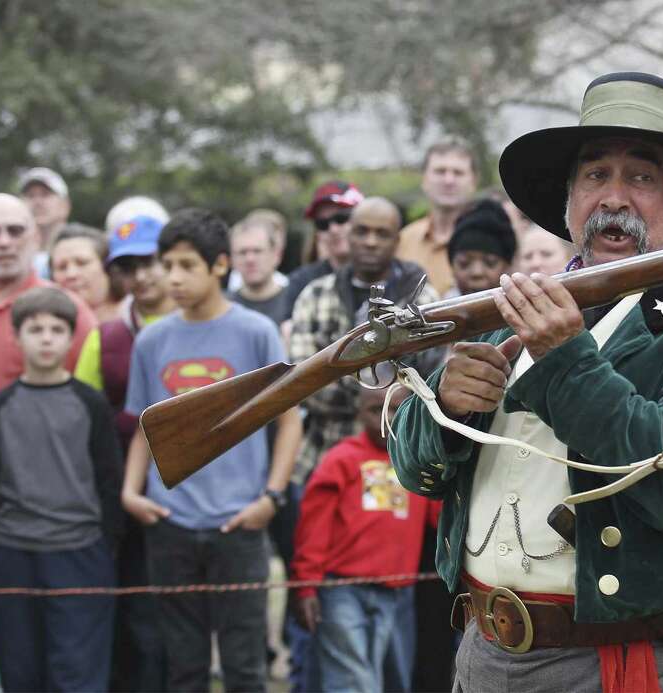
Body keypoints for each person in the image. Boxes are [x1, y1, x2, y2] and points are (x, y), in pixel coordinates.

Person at [388, 71, 663, 691]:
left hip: (628, 659)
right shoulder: (509, 313)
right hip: (485, 650)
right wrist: (444, 405)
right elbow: (418, 473)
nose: (615, 198)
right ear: (570, 199)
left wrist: (564, 359)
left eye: (642, 177)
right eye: (596, 175)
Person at [120, 208, 303, 692]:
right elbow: (146, 426)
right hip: (170, 521)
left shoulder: (255, 332)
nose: (172, 278)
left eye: (186, 266)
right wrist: (130, 493)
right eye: (167, 264)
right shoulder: (153, 339)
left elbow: (289, 423)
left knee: (245, 666)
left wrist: (271, 498)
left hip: (238, 524)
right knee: (183, 666)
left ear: (220, 265)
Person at [287, 195, 441, 690]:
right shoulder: (316, 294)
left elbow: (435, 381)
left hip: (404, 472)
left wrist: (366, 376)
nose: (371, 242)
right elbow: (304, 386)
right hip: (324, 461)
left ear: (398, 239)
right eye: (362, 232)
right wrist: (389, 379)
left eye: (382, 233)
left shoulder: (421, 290)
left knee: (397, 646)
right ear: (345, 236)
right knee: (324, 633)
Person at [0, 286, 122, 692]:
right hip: (13, 551)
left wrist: (105, 540)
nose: (45, 338)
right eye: (35, 329)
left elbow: (109, 479)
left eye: (56, 329)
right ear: (16, 336)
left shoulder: (89, 404)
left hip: (79, 550)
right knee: (19, 667)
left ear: (71, 337)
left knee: (77, 668)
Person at [72, 214, 173, 692]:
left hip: (196, 488)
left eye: (150, 261)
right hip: (125, 491)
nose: (142, 275)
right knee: (136, 608)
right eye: (128, 266)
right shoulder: (106, 335)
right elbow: (85, 415)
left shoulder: (204, 323)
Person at [291, 387, 441, 692]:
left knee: (396, 679)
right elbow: (313, 529)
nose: (387, 419)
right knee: (352, 680)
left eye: (396, 410)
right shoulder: (341, 459)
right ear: (359, 412)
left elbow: (441, 518)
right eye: (377, 410)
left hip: (399, 594)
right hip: (343, 591)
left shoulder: (415, 463)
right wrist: (306, 585)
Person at [0, 194, 96, 401]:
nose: (4, 242)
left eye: (15, 230)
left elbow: (88, 397)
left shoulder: (66, 306)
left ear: (36, 238)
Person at [396, 137, 480, 296]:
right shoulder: (403, 240)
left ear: (473, 181)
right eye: (440, 171)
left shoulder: (491, 241)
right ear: (424, 179)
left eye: (458, 173)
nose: (449, 180)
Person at [285, 181, 364, 311]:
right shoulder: (301, 281)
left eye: (341, 218)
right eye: (322, 223)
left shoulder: (393, 273)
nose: (333, 229)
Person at [445, 198, 517, 299]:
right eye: (464, 263)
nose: (477, 272)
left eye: (490, 263)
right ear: (452, 265)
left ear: (508, 267)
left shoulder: (528, 312)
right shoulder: (432, 313)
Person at [50, 223, 123, 322]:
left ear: (108, 267)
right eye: (62, 267)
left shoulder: (134, 316)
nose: (71, 274)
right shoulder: (46, 332)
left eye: (82, 263)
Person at [229, 214, 292, 324]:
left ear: (277, 255)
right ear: (232, 259)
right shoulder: (222, 309)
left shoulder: (296, 304)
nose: (250, 259)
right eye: (242, 252)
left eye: (257, 251)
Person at [17, 167, 72, 276]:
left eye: (45, 194)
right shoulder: (9, 254)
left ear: (65, 205)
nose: (37, 202)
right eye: (30, 196)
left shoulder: (86, 250)